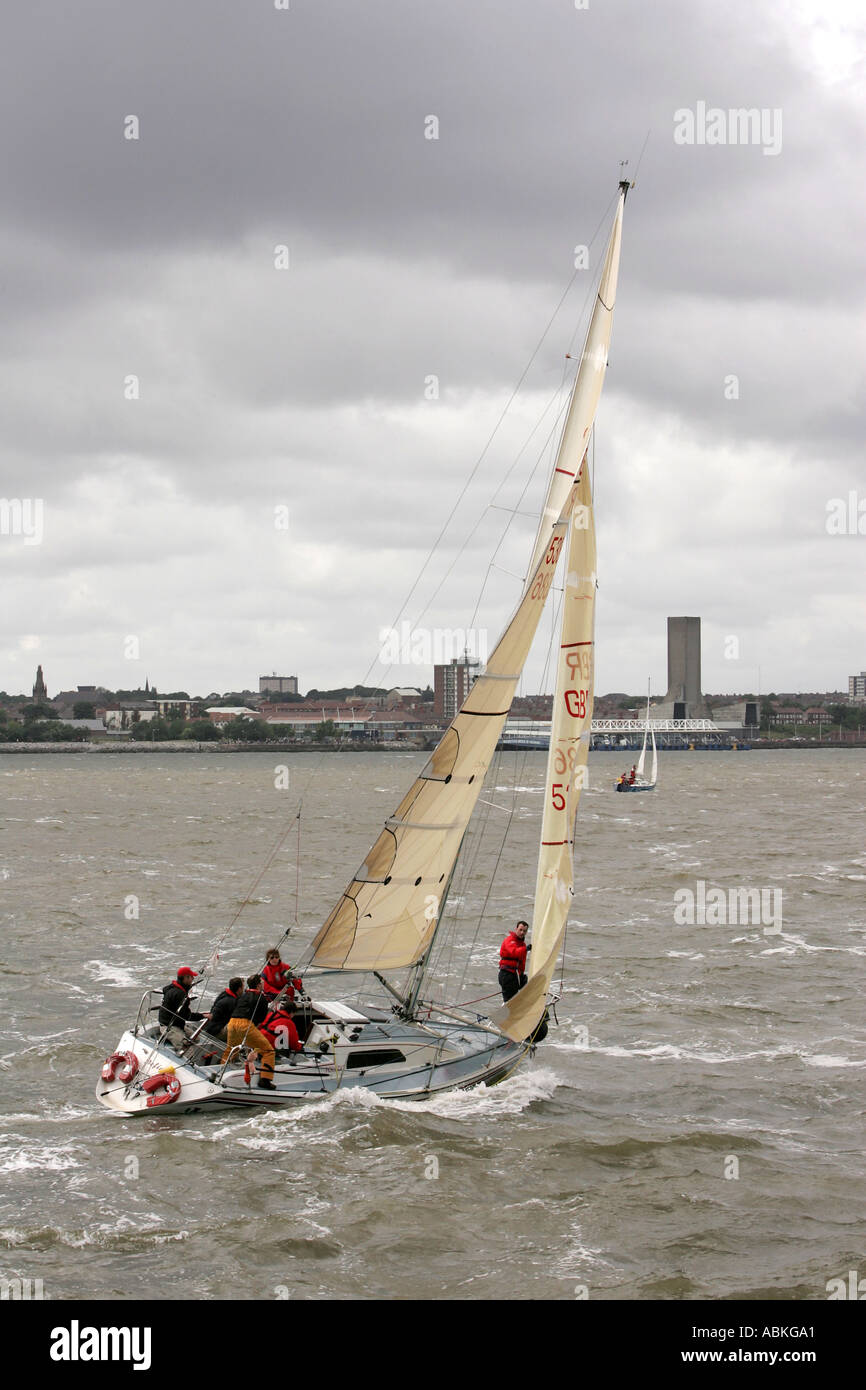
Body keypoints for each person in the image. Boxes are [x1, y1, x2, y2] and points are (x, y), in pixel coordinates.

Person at [221, 974, 276, 1090]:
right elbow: (261, 1019)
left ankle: (221, 1071)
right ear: (258, 985)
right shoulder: (261, 998)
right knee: (269, 1051)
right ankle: (265, 1080)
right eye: (262, 982)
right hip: (245, 1025)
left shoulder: (243, 995)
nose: (263, 984)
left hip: (232, 1023)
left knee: (231, 1049)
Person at [158, 967, 208, 1051]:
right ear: (185, 978)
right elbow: (186, 1016)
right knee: (184, 1048)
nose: (193, 979)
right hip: (169, 1026)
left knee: (196, 1039)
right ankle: (168, 1036)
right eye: (191, 977)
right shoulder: (179, 994)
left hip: (177, 1023)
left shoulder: (172, 987)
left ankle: (178, 1037)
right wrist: (203, 1016)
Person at [498, 921, 531, 1003]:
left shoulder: (522, 944)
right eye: (520, 930)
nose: (522, 932)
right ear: (516, 929)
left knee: (530, 992)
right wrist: (526, 949)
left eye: (524, 931)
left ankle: (542, 1014)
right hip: (507, 975)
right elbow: (514, 952)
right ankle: (505, 1015)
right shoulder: (510, 940)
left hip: (517, 976)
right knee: (510, 1003)